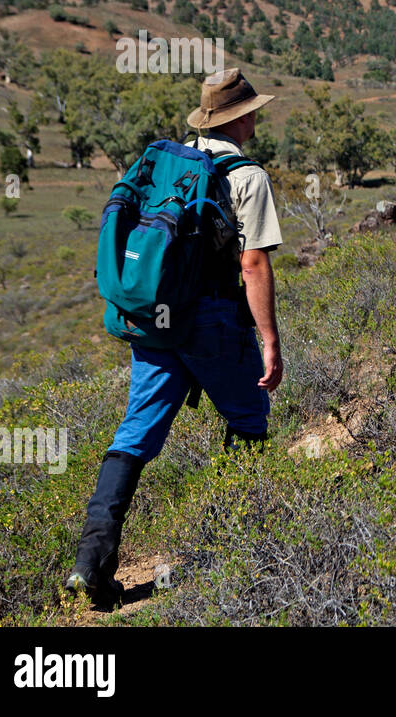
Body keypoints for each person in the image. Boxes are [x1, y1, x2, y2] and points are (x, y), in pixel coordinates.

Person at [66, 68, 285, 607]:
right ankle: (238, 543)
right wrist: (271, 342)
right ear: (240, 117)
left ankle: (90, 564)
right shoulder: (247, 176)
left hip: (157, 322)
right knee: (248, 419)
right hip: (211, 321)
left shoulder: (173, 163)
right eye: (252, 109)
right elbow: (253, 264)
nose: (256, 115)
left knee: (135, 435)